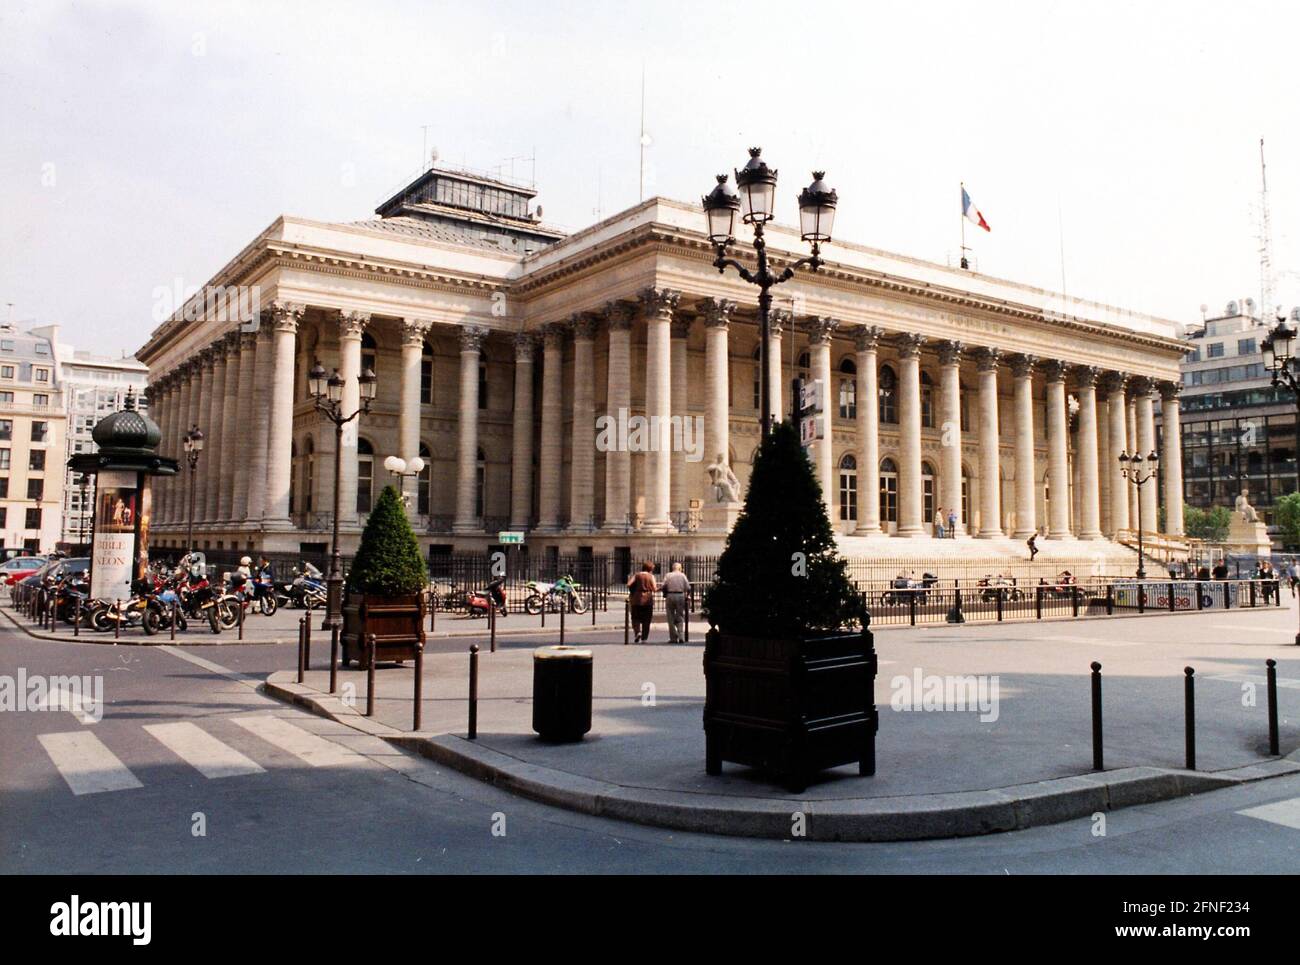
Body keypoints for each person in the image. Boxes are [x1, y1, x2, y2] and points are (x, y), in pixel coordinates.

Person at [626, 561, 658, 644]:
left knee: (635, 617)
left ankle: (637, 632)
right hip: (647, 599)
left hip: (636, 598)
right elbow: (654, 588)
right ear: (650, 569)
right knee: (647, 619)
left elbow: (629, 584)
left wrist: (635, 589)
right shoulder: (651, 576)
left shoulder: (637, 575)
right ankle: (644, 638)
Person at [661, 562, 690, 644]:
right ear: (680, 568)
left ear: (672, 568)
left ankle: (673, 637)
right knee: (680, 616)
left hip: (670, 595)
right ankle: (681, 636)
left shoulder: (668, 575)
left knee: (670, 616)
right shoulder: (682, 575)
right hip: (680, 595)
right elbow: (688, 587)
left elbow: (664, 585)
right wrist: (687, 595)